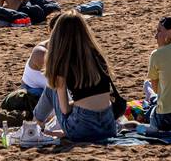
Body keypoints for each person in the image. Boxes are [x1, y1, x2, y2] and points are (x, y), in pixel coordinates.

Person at [41, 12, 119, 142]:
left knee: (51, 87)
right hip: (108, 126)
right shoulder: (97, 56)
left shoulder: (63, 63)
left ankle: (35, 124)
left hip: (81, 128)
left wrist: (75, 105)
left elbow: (65, 110)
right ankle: (39, 126)